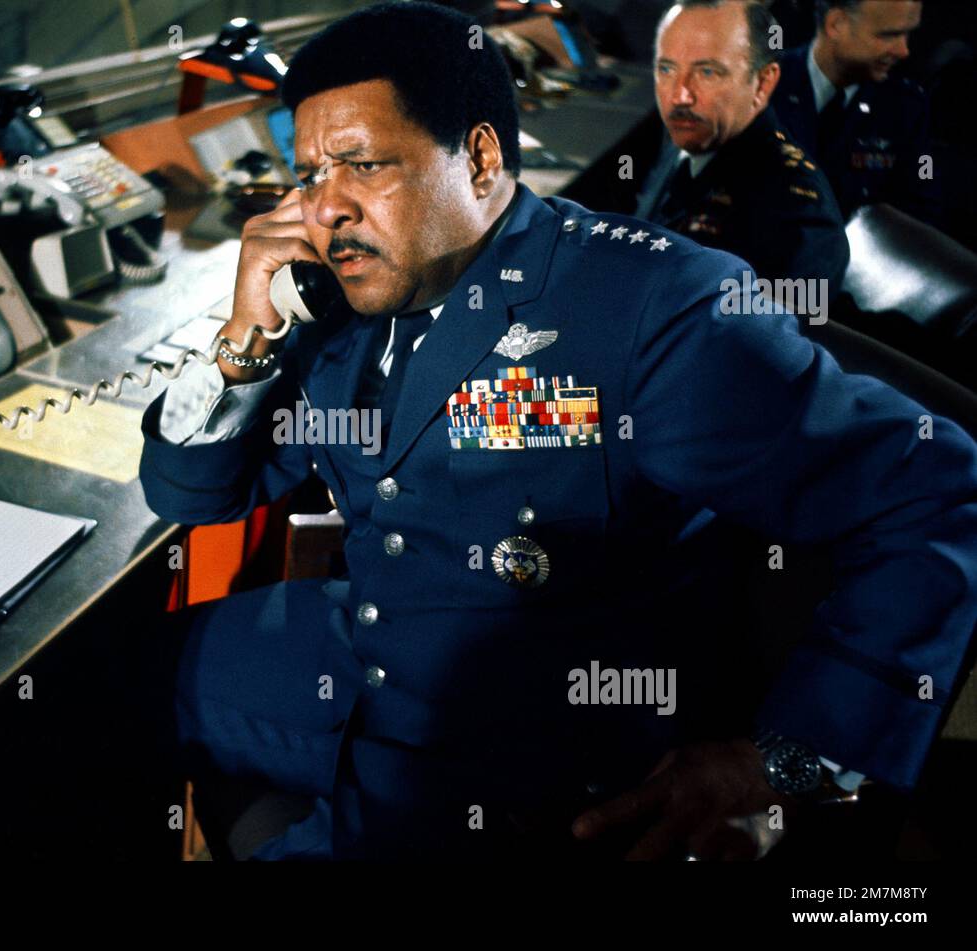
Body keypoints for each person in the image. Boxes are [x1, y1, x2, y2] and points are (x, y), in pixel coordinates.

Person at [137, 1, 977, 860]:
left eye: (360, 164)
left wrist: (790, 764)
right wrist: (244, 340)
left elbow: (940, 493)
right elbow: (192, 492)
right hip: (373, 654)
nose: (325, 211)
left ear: (479, 157)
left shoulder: (656, 309)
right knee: (116, 676)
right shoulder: (347, 300)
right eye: (309, 174)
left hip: (527, 759)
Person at [636, 0, 850, 298]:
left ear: (763, 84)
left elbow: (765, 338)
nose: (679, 95)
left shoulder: (796, 216)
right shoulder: (692, 134)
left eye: (708, 72)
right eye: (667, 68)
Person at [771, 0, 940, 225]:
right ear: (837, 24)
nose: (903, 51)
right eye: (888, 35)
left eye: (907, 35)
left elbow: (920, 211)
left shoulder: (906, 109)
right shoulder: (766, 86)